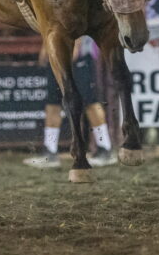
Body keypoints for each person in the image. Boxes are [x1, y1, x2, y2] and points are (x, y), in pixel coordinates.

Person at [26, 37, 117, 169]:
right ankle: (50, 151)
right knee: (52, 104)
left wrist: (73, 49)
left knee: (90, 103)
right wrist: (45, 47)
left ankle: (105, 149)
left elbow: (77, 25)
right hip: (56, 57)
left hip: (79, 58)